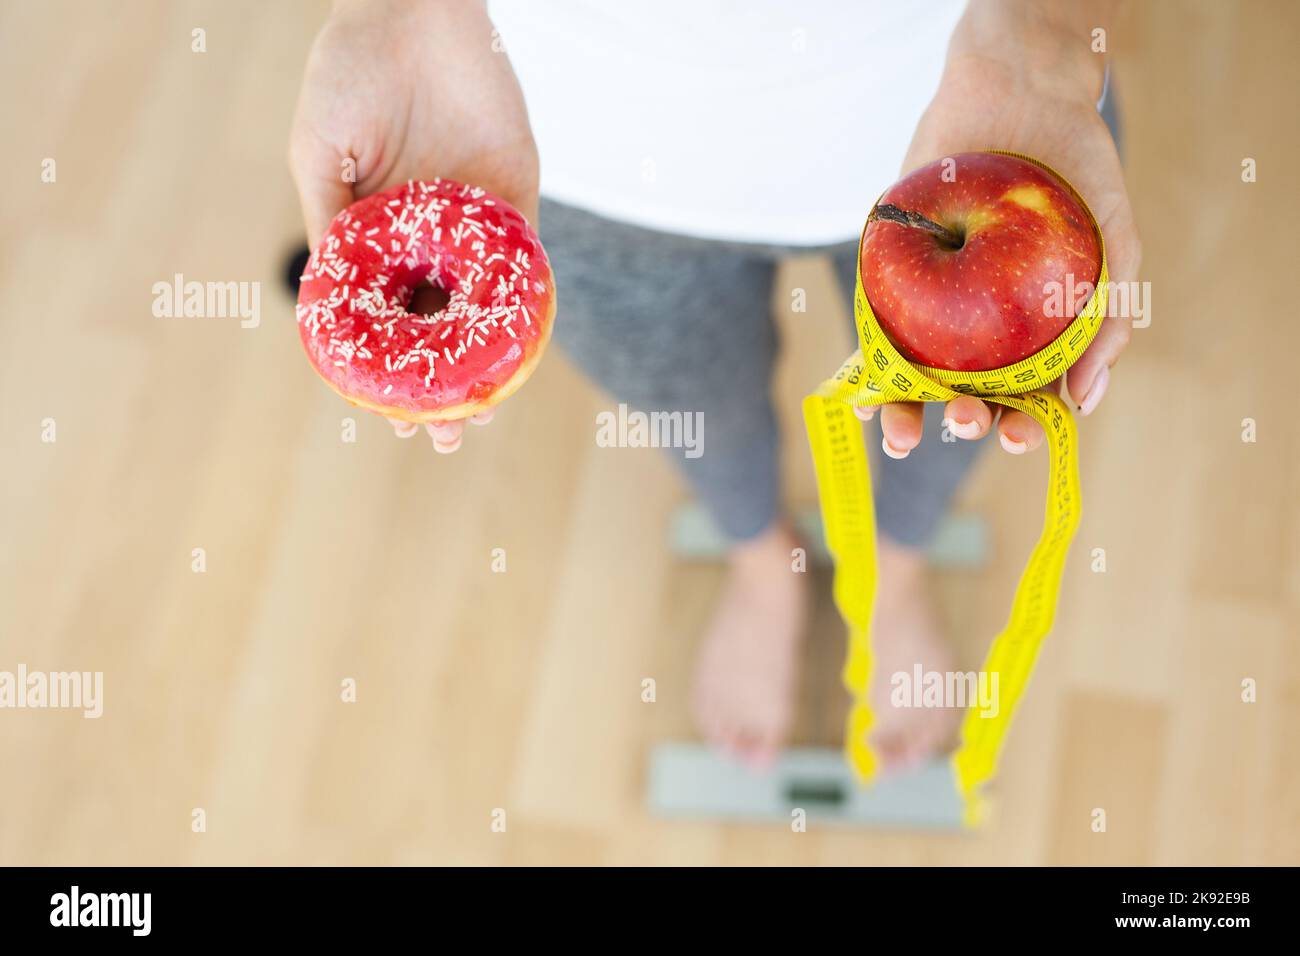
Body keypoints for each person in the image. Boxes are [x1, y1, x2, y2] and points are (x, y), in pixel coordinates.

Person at [289, 0, 1139, 773]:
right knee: (691, 404)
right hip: (545, 131)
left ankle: (898, 567)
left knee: (961, 414)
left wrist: (1047, 38)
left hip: (970, 117)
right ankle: (761, 560)